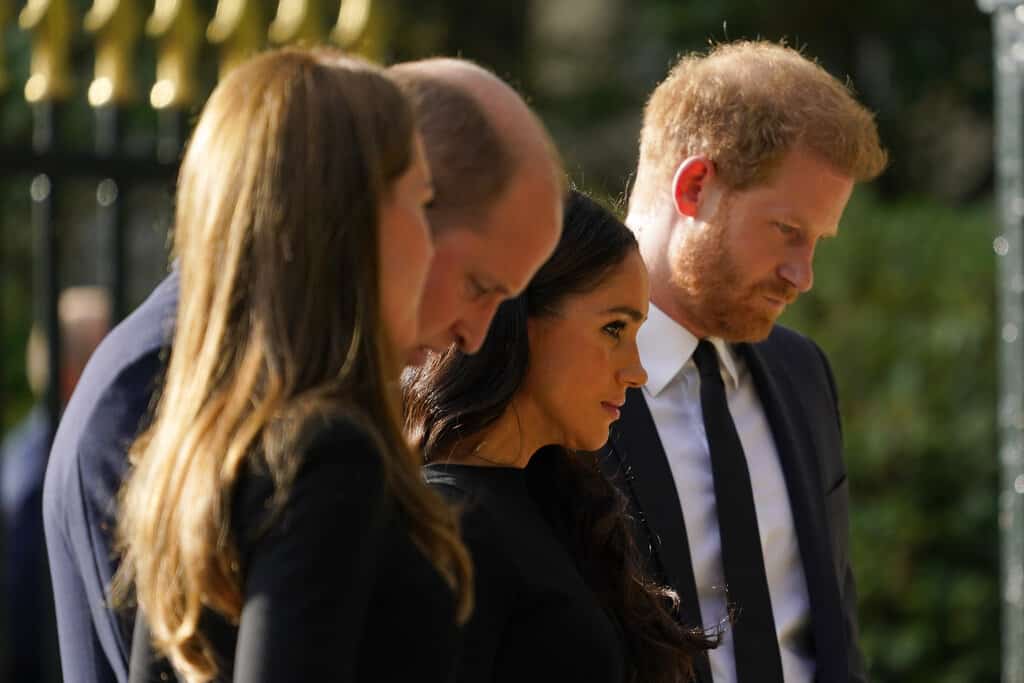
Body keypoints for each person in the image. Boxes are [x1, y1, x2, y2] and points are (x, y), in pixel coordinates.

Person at [43, 54, 563, 683]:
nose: (477, 337)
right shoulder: (299, 438)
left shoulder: (247, 424)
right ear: (356, 219)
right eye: (419, 199)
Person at [113, 47, 474, 682]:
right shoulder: (326, 453)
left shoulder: (207, 446)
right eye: (420, 202)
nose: (430, 241)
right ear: (353, 224)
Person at [604, 40, 888, 683]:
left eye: (818, 241)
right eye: (788, 230)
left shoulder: (801, 374)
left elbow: (831, 628)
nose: (804, 274)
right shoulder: (548, 375)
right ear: (695, 186)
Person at [404, 190, 715, 683]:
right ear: (516, 317)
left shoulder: (562, 500)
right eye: (614, 328)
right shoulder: (444, 528)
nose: (637, 372)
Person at [1, 287, 110, 682]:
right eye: (106, 351)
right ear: (74, 373)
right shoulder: (40, 473)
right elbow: (28, 625)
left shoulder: (19, 452)